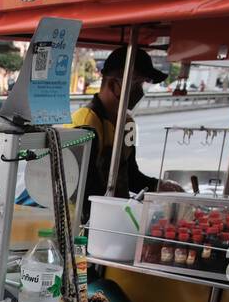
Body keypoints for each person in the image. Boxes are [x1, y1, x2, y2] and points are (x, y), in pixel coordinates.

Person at [73, 47, 183, 210]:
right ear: (113, 84)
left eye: (144, 85)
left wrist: (158, 186)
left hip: (115, 213)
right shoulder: (86, 121)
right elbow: (81, 188)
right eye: (137, 84)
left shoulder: (129, 124)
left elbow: (130, 175)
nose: (140, 92)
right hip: (87, 217)